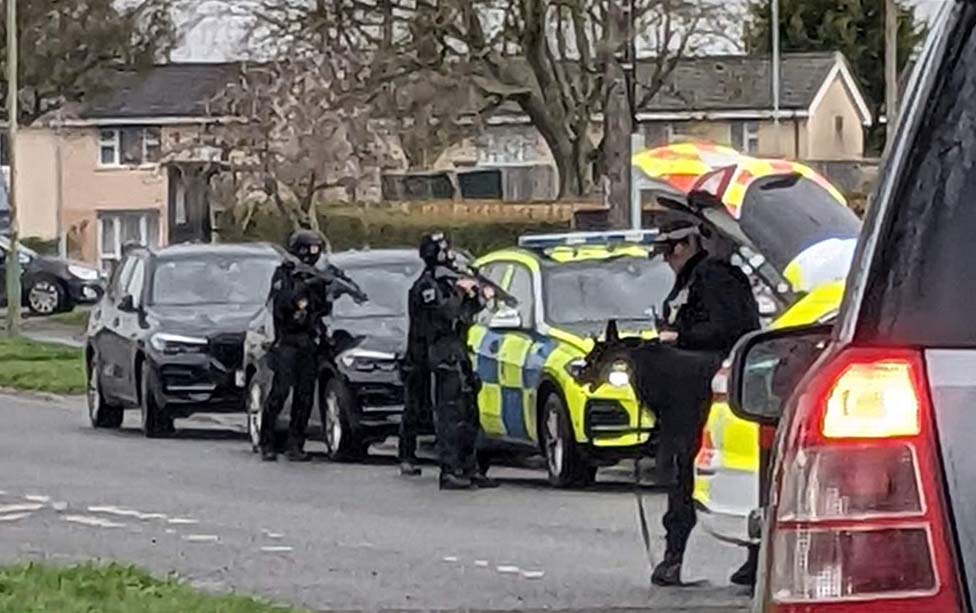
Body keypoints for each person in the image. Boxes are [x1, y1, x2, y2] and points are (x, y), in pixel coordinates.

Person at [651, 221, 760, 587]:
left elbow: (729, 330)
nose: (668, 260)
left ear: (686, 245)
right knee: (689, 474)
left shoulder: (715, 278)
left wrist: (679, 336)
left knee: (716, 471)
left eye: (671, 250)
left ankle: (753, 557)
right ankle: (675, 556)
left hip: (714, 391)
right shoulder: (693, 279)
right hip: (691, 392)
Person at [407, 232, 498, 490]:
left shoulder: (448, 280)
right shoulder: (427, 286)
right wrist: (460, 291)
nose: (448, 255)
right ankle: (449, 470)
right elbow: (445, 313)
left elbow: (463, 315)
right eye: (443, 250)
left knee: (470, 411)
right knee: (450, 413)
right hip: (442, 350)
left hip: (459, 348)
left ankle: (471, 467)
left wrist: (479, 298)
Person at [260, 229, 330, 463]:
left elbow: (322, 307)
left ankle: (295, 444)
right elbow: (282, 304)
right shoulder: (284, 274)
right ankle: (267, 442)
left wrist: (320, 289)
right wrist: (302, 288)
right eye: (310, 249)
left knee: (305, 396)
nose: (314, 254)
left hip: (308, 341)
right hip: (287, 342)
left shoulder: (315, 274)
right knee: (279, 393)